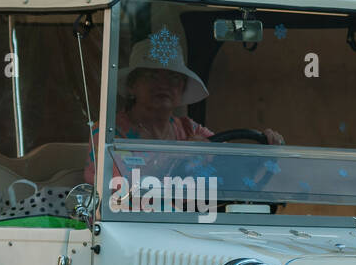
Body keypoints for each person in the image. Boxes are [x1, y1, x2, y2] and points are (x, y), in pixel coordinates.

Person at [83, 32, 284, 183]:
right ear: (132, 86)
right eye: (152, 76)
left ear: (182, 88)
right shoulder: (108, 132)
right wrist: (175, 157)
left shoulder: (190, 129)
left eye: (173, 78)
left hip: (190, 223)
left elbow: (228, 165)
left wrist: (266, 151)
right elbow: (114, 190)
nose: (163, 85)